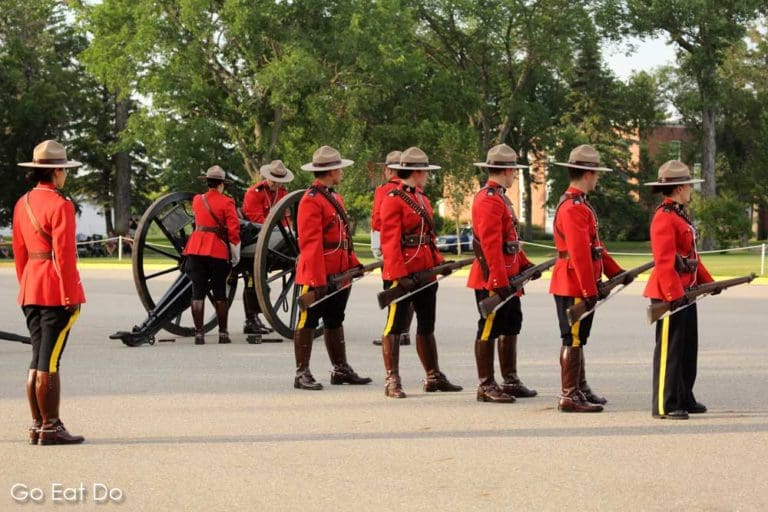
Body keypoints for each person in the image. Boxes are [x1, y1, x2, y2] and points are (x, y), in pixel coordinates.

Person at [14, 139, 85, 445]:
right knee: (50, 361)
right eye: (64, 171)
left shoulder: (23, 203)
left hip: (31, 286)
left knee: (37, 358)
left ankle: (37, 424)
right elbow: (65, 256)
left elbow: (20, 253)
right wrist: (71, 296)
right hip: (55, 290)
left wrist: (26, 285)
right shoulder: (61, 204)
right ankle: (51, 427)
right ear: (56, 172)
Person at [549, 144, 629, 413]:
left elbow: (596, 248)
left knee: (579, 338)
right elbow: (580, 253)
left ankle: (580, 388)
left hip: (579, 281)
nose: (597, 177)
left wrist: (616, 273)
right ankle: (569, 394)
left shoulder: (580, 204)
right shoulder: (572, 207)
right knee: (571, 338)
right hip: (573, 282)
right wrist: (588, 288)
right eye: (596, 172)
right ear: (586, 173)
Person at [378, 146, 462, 398]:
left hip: (425, 270)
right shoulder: (393, 198)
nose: (427, 175)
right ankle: (392, 379)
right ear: (416, 172)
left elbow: (428, 237)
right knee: (394, 326)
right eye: (425, 171)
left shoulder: (421, 198)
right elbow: (390, 241)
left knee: (427, 324)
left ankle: (433, 376)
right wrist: (397, 275)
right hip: (403, 272)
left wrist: (439, 262)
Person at [293, 145, 371, 390]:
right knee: (308, 321)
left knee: (335, 319)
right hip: (318, 272)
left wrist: (353, 265)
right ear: (330, 171)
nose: (342, 172)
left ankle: (340, 369)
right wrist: (318, 279)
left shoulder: (334, 197)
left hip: (339, 272)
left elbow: (343, 238)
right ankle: (302, 373)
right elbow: (310, 243)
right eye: (339, 168)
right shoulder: (311, 200)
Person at [467, 144, 538, 403]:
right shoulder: (487, 198)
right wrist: (497, 281)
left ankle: (510, 379)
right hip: (492, 277)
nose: (515, 175)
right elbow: (489, 245)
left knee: (511, 324)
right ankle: (486, 385)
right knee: (489, 328)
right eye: (514, 171)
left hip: (508, 275)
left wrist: (525, 264)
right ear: (506, 170)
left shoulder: (501, 197)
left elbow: (511, 241)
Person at [643, 160, 714, 420]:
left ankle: (684, 396)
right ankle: (666, 403)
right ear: (680, 187)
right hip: (670, 292)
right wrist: (675, 296)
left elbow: (691, 255)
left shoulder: (679, 215)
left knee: (687, 348)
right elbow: (664, 262)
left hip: (686, 290)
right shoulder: (664, 217)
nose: (691, 190)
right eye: (689, 186)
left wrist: (707, 281)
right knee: (670, 351)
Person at [183, 165, 241, 345]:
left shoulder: (197, 200)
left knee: (197, 293)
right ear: (221, 184)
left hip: (195, 248)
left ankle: (199, 334)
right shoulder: (227, 202)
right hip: (216, 250)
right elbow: (233, 229)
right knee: (220, 293)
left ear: (208, 182)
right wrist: (235, 251)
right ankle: (223, 333)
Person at [241, 160, 294, 335]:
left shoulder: (283, 193)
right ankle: (251, 320)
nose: (275, 182)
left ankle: (255, 319)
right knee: (253, 282)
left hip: (276, 239)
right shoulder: (253, 193)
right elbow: (255, 219)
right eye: (273, 178)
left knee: (260, 283)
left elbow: (286, 217)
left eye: (279, 179)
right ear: (267, 176)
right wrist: (277, 228)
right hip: (256, 239)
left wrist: (286, 231)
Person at [370, 150, 413, 347]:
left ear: (388, 170)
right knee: (408, 287)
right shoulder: (412, 189)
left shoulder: (384, 189)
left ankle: (392, 330)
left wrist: (377, 245)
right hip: (411, 248)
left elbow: (379, 220)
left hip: (390, 244)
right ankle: (404, 331)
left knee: (391, 287)